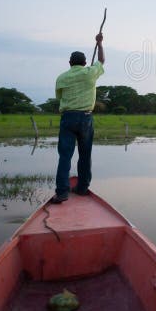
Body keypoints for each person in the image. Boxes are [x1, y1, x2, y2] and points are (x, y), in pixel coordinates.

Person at [51, 33, 105, 203]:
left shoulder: (61, 77)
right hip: (86, 119)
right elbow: (102, 61)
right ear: (84, 63)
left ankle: (62, 192)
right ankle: (82, 188)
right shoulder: (90, 72)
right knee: (85, 154)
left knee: (65, 156)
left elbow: (60, 98)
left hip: (67, 118)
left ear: (69, 63)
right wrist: (100, 43)